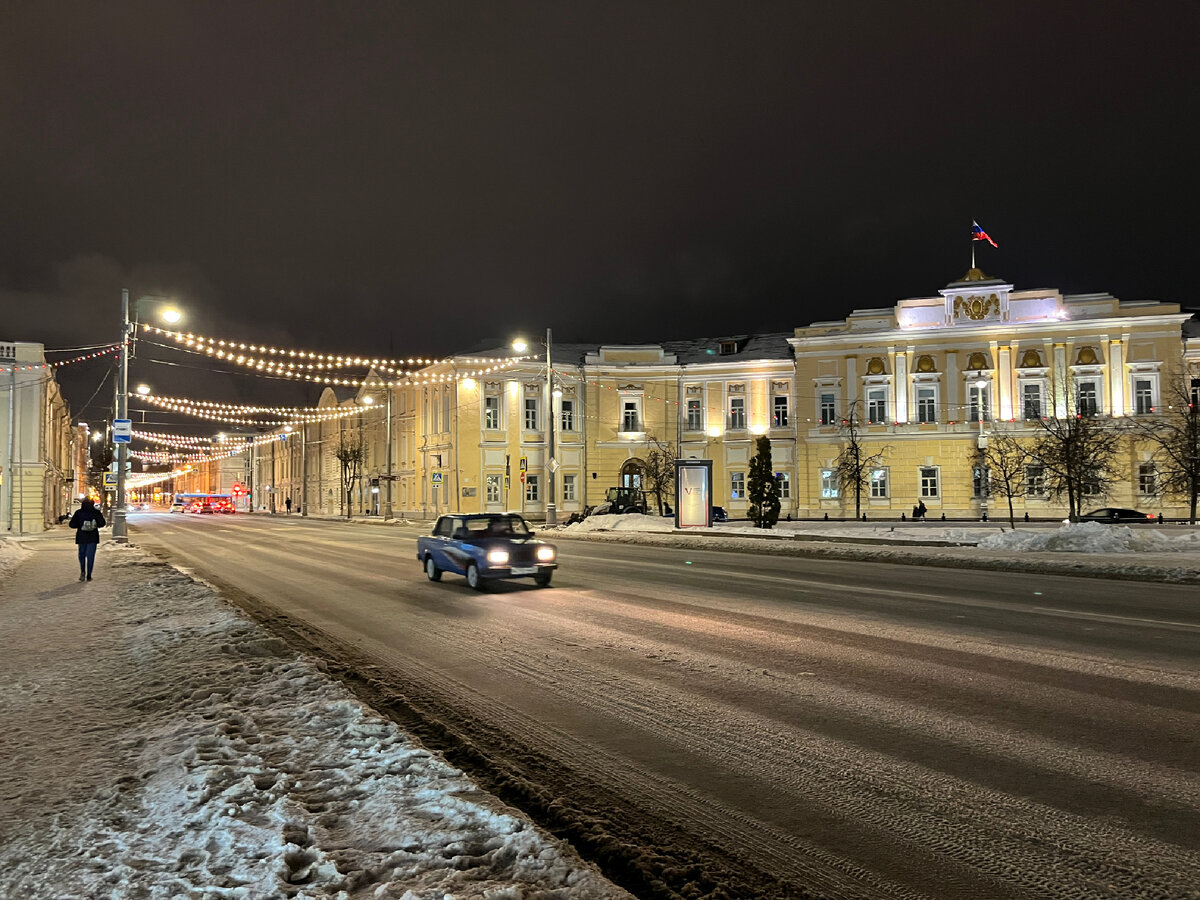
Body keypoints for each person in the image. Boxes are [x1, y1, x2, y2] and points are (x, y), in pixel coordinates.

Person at [68, 498, 106, 582]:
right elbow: (102, 523)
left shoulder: (79, 513)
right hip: (93, 537)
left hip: (81, 537)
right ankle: (89, 574)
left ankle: (82, 572)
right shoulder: (96, 512)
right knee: (90, 556)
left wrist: (80, 524)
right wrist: (95, 524)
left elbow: (72, 524)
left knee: (82, 555)